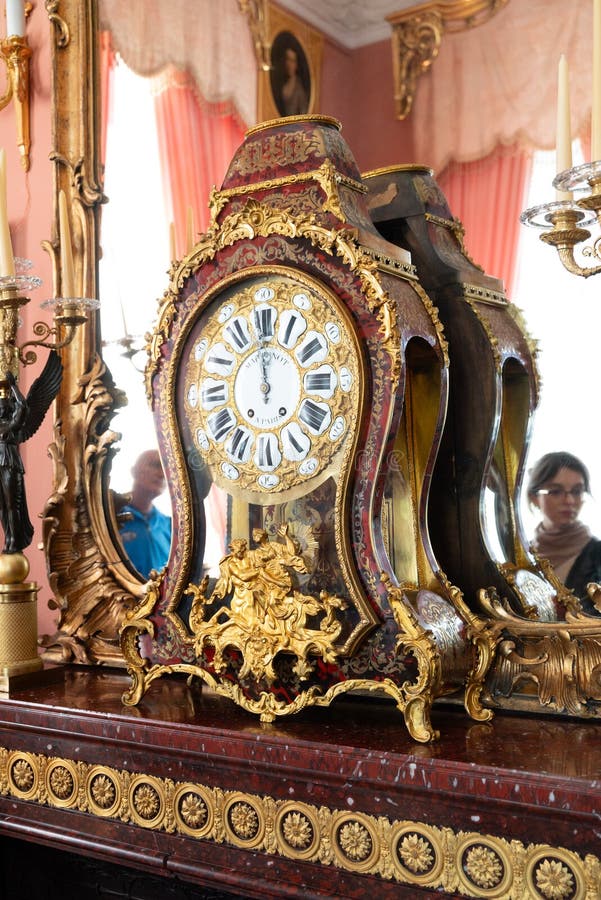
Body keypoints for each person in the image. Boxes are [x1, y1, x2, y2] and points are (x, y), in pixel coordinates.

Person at [527, 451, 601, 611]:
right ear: (534, 497)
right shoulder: (521, 556)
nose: (569, 501)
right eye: (556, 491)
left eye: (576, 491)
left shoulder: (597, 555)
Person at [119, 449, 172, 580]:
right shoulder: (109, 518)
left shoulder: (170, 525)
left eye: (166, 468)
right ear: (134, 471)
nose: (162, 474)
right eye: (155, 465)